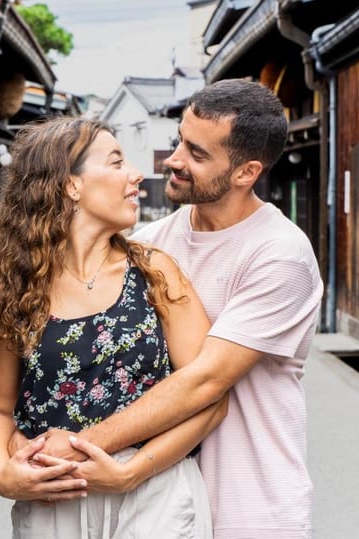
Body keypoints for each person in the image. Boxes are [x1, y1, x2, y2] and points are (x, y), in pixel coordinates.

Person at [39, 79, 324, 538]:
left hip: (252, 505)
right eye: (179, 141)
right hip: (157, 505)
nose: (173, 160)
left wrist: (76, 448)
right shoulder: (147, 244)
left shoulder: (278, 253)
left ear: (246, 172)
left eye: (197, 153)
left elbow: (205, 381)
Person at [0, 116, 227, 538]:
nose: (135, 176)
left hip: (154, 493)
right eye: (116, 163)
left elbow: (210, 399)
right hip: (53, 499)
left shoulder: (156, 274)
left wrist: (131, 471)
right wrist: (1, 473)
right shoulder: (13, 290)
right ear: (70, 185)